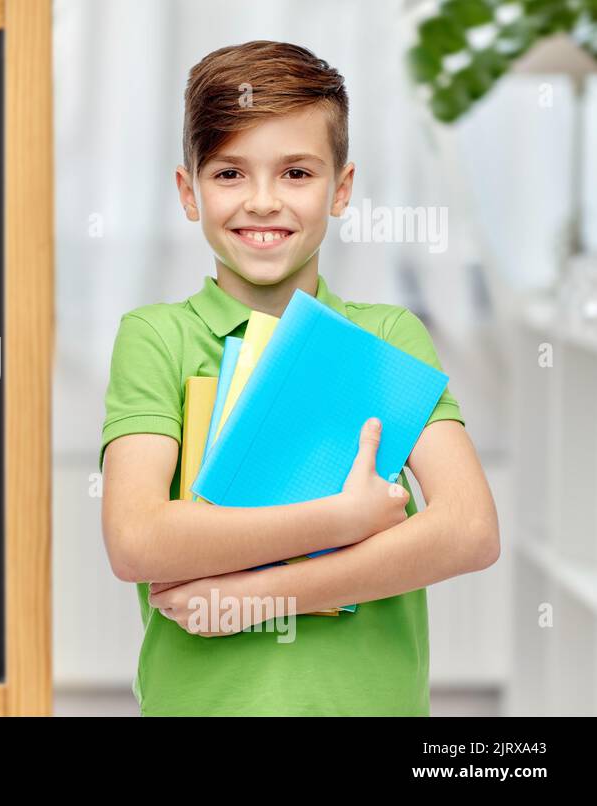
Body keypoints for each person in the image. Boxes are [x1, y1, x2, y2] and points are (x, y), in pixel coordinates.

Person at [99, 40, 500, 716]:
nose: (262, 202)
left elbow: (470, 529)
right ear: (188, 192)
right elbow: (136, 540)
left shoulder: (386, 335)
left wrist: (253, 599)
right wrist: (341, 519)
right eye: (230, 173)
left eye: (295, 173)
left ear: (341, 189)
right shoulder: (157, 337)